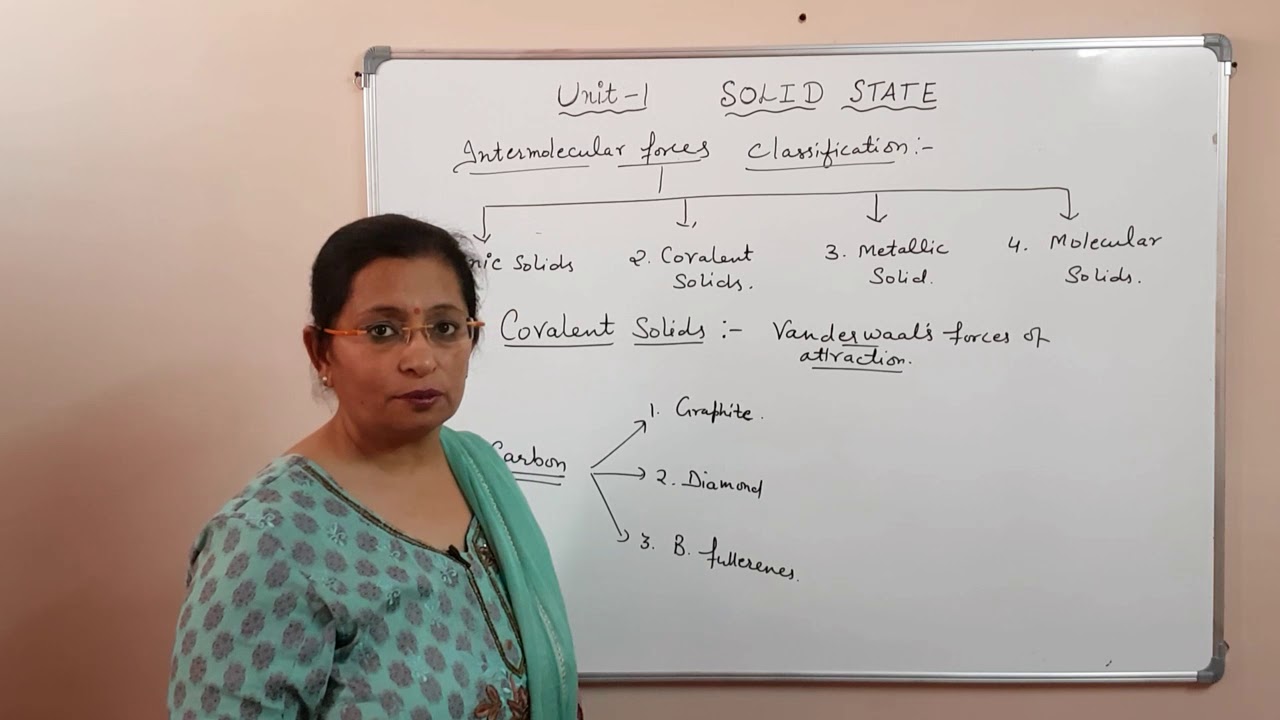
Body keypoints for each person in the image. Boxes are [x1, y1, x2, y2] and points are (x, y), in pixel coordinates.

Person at [167, 214, 579, 719]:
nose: (421, 359)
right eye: (382, 330)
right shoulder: (264, 541)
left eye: (445, 328)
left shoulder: (480, 472)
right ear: (321, 351)